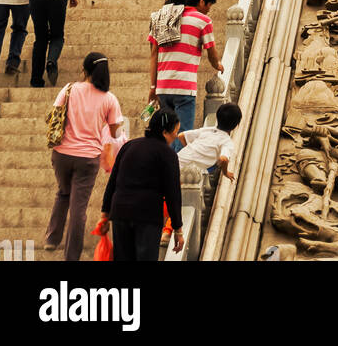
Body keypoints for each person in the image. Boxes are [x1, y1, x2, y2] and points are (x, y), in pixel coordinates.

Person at [44, 52, 124, 261]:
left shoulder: (70, 89)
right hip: (88, 158)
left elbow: (55, 113)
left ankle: (52, 238)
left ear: (85, 69)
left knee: (63, 192)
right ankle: (72, 256)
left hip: (61, 154)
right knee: (78, 208)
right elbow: (115, 133)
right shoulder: (109, 99)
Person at [97, 106, 184, 261]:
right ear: (165, 132)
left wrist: (105, 214)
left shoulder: (129, 146)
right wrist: (178, 229)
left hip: (120, 212)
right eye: (175, 132)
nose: (175, 137)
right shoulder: (168, 154)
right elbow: (173, 194)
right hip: (147, 216)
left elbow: (113, 182)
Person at [147, 0, 222, 138]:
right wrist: (218, 65)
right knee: (183, 136)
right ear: (200, 1)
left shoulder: (161, 18)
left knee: (165, 134)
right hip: (184, 87)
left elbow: (154, 54)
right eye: (209, 5)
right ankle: (178, 162)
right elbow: (212, 54)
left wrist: (153, 86)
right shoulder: (202, 20)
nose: (209, 10)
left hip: (163, 87)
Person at [178, 101, 242, 183]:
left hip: (177, 159)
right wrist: (225, 172)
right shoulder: (227, 142)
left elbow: (181, 136)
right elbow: (223, 159)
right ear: (236, 125)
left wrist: (192, 152)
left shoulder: (207, 130)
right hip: (186, 171)